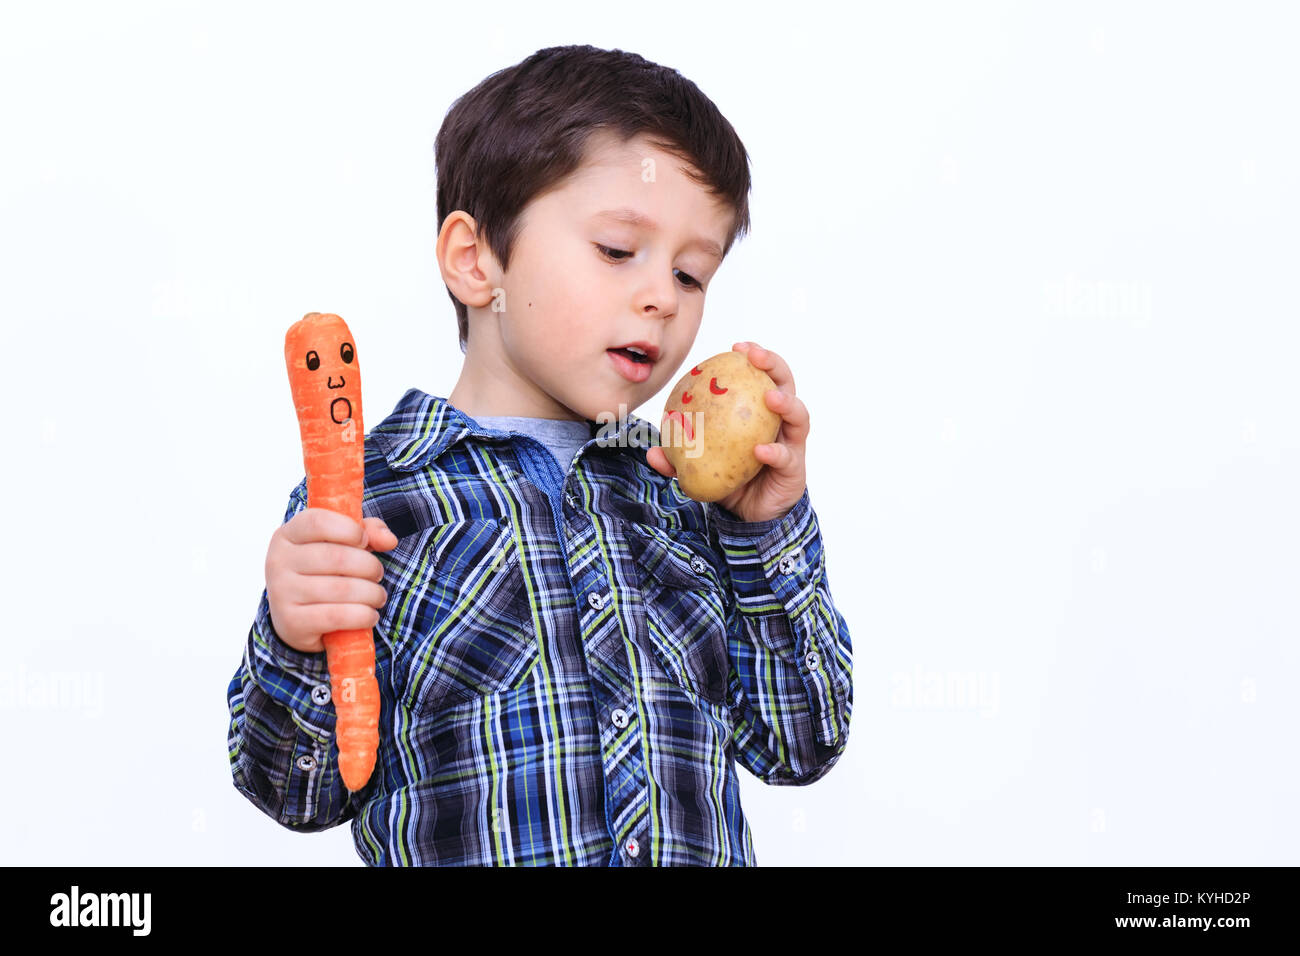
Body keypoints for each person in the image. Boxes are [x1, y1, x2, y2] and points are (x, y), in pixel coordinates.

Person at [226, 44, 853, 866]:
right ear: (476, 260)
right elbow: (294, 793)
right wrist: (296, 634)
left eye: (693, 273)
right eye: (619, 251)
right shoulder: (367, 505)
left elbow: (800, 743)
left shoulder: (688, 499)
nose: (662, 295)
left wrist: (767, 535)